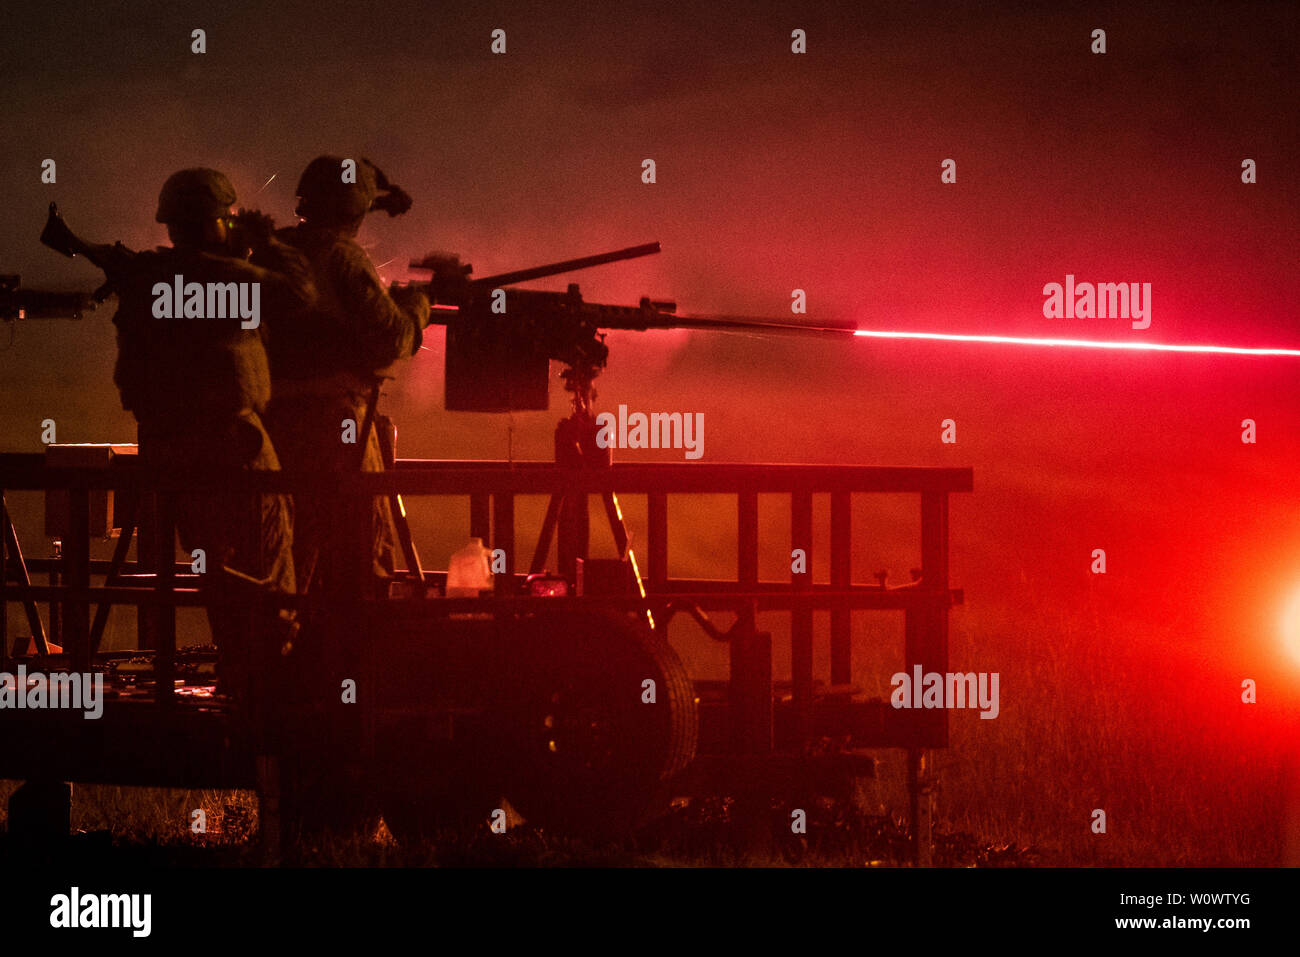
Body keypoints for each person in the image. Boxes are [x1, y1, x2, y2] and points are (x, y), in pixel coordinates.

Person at [104, 168, 315, 696]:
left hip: (169, 449)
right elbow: (301, 298)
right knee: (266, 565)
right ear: (220, 221)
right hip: (233, 447)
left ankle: (240, 671)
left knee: (216, 568)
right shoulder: (234, 280)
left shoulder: (148, 281)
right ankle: (265, 684)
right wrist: (265, 243)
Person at [262, 155, 430, 599]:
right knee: (358, 551)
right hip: (335, 427)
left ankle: (289, 654)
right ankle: (352, 660)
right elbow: (391, 339)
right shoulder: (341, 256)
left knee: (291, 557)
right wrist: (417, 307)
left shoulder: (272, 250)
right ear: (354, 208)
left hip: (273, 427)